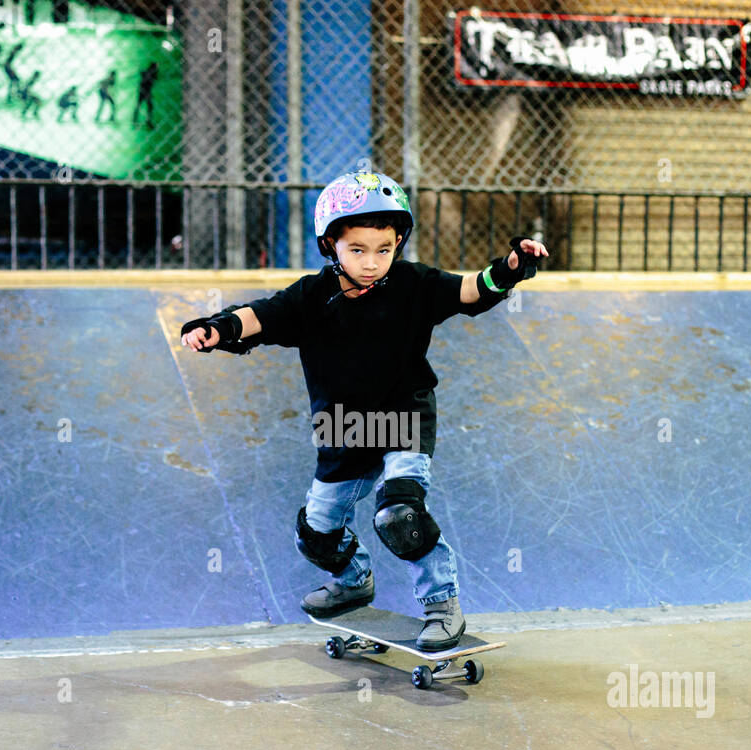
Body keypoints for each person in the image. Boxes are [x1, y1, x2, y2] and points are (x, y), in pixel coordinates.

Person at [180, 170, 547, 649]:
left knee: (398, 515)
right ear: (331, 245)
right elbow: (262, 316)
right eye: (357, 250)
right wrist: (217, 327)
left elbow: (471, 292)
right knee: (316, 532)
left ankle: (442, 605)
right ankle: (354, 582)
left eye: (384, 249)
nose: (372, 263)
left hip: (402, 418)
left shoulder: (414, 284)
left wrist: (511, 267)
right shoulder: (311, 297)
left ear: (399, 242)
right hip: (344, 428)